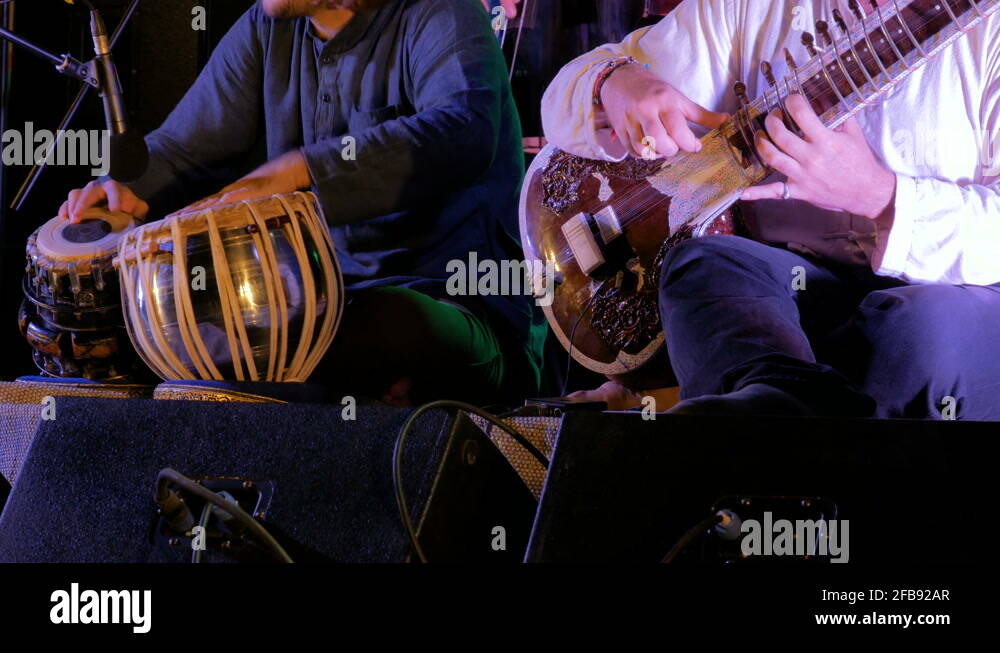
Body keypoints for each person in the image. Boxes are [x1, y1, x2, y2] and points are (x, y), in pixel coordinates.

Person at [58, 0, 545, 406]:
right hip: (322, 310)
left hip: (458, 308)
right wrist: (120, 188)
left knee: (380, 323)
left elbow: (463, 132)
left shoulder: (439, 11)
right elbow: (183, 147)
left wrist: (300, 171)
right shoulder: (267, 26)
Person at [543, 0, 1000, 419]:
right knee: (703, 267)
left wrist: (878, 196)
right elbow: (572, 89)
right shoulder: (751, 7)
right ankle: (770, 418)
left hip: (956, 290)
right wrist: (619, 82)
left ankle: (771, 441)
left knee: (911, 332)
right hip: (796, 277)